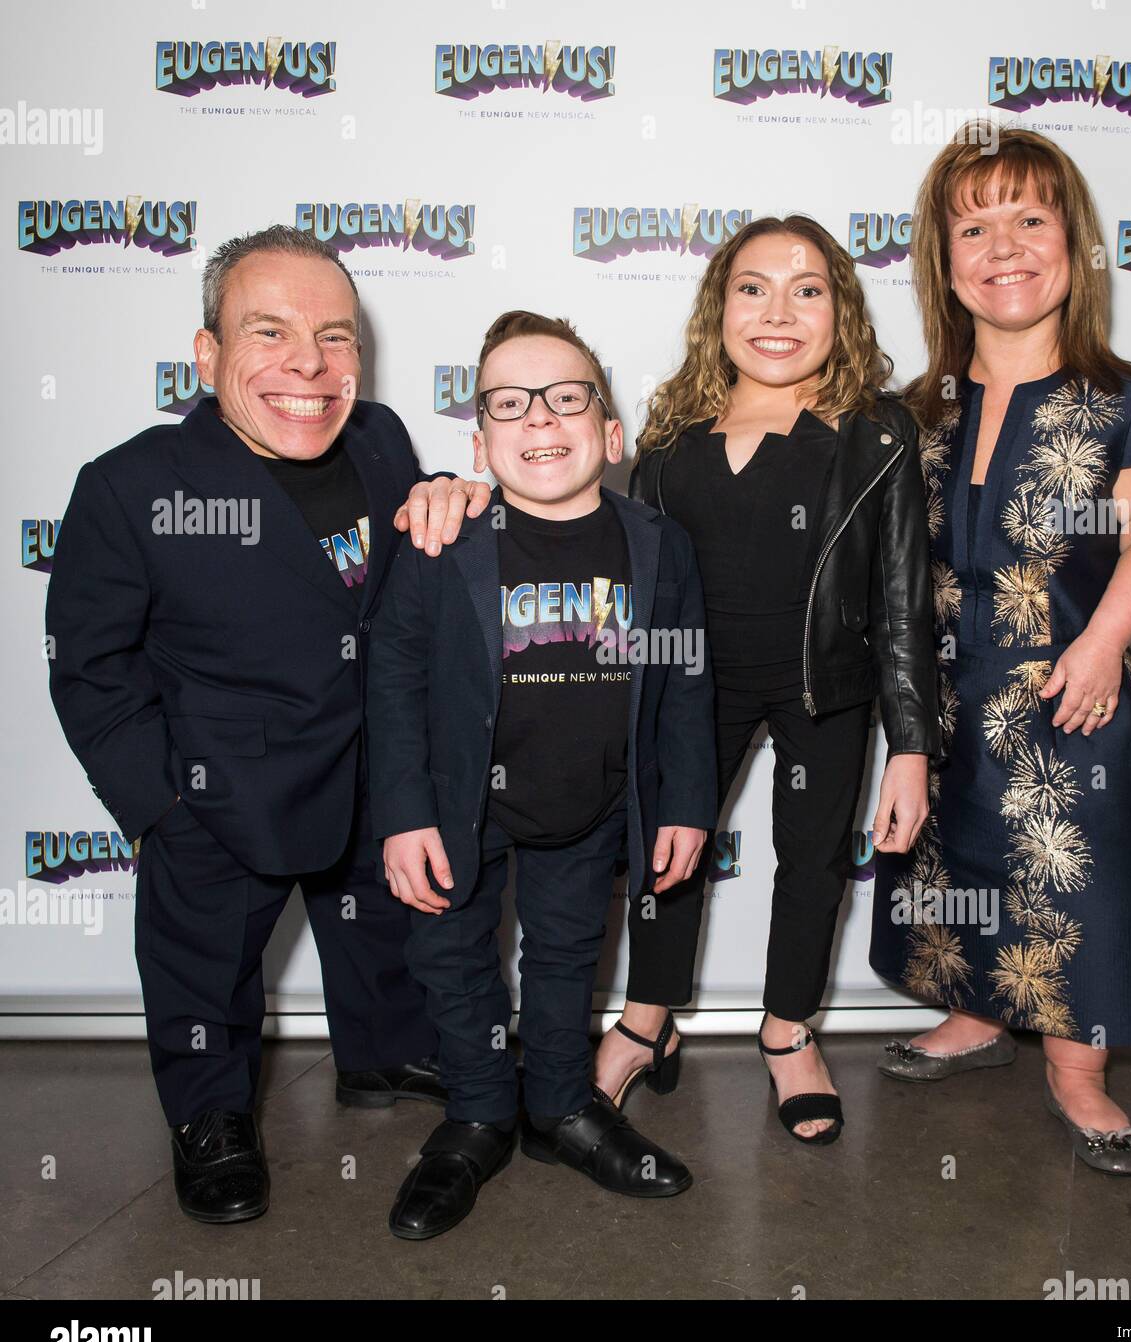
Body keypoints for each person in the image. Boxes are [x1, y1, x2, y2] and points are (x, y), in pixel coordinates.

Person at [400, 216, 942, 1145]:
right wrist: (465, 488)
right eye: (752, 288)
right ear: (717, 309)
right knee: (666, 853)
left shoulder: (877, 431)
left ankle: (786, 1033)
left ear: (840, 311)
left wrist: (913, 747)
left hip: (824, 684)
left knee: (811, 863)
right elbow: (576, 523)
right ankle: (646, 1022)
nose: (777, 311)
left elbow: (903, 601)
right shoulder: (674, 431)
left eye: (807, 289)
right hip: (681, 681)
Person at [44, 226, 460, 1224]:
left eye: (335, 335)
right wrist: (159, 804)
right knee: (203, 974)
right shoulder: (130, 486)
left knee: (384, 936)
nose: (309, 365)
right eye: (267, 332)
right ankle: (210, 1117)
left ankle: (380, 1054)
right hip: (220, 792)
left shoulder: (384, 440)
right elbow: (90, 667)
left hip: (373, 769)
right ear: (206, 353)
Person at [869, 125, 1131, 1175]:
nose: (1003, 246)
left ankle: (1076, 1074)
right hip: (946, 703)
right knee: (958, 870)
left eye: (1029, 218)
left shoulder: (1126, 398)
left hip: (1076, 697)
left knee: (1084, 893)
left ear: (1074, 243)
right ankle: (974, 1023)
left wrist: (1106, 639)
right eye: (973, 226)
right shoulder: (911, 412)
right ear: (942, 259)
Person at [366, 311, 716, 1240]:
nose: (540, 421)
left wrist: (684, 800)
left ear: (609, 432)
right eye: (510, 406)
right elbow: (395, 679)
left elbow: (685, 678)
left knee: (566, 960)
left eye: (567, 399)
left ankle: (561, 1107)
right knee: (454, 964)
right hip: (457, 809)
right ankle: (479, 1113)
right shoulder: (445, 544)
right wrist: (402, 814)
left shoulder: (656, 544)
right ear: (480, 444)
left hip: (591, 804)